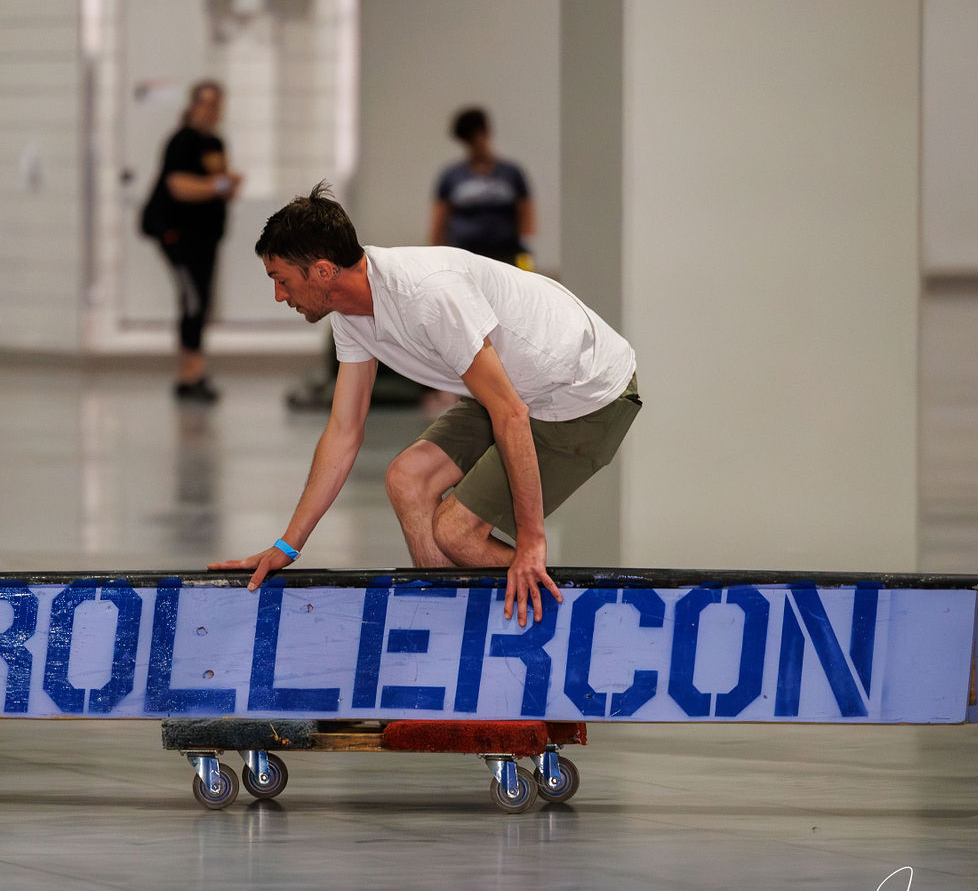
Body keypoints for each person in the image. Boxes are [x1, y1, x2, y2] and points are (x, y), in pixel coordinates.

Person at [210, 184, 641, 626]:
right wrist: (287, 546)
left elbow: (510, 414)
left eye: (281, 281)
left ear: (322, 271)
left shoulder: (427, 295)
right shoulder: (352, 317)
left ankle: (580, 624)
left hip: (584, 391)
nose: (280, 296)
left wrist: (532, 541)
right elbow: (343, 429)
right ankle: (451, 635)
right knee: (407, 479)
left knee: (457, 532)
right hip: (516, 388)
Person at [141, 80, 242, 402]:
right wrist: (216, 186)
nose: (213, 112)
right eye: (208, 104)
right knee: (192, 301)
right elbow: (178, 186)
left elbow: (223, 186)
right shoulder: (181, 141)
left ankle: (195, 372)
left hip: (207, 238)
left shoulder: (215, 143)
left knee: (202, 302)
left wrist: (227, 185)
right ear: (195, 105)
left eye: (218, 105)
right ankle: (189, 374)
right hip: (178, 236)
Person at [429, 107, 535, 267]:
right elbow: (439, 219)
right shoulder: (452, 176)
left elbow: (526, 212)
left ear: (487, 133)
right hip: (465, 256)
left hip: (506, 255)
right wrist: (437, 257)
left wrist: (525, 245)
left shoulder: (511, 173)